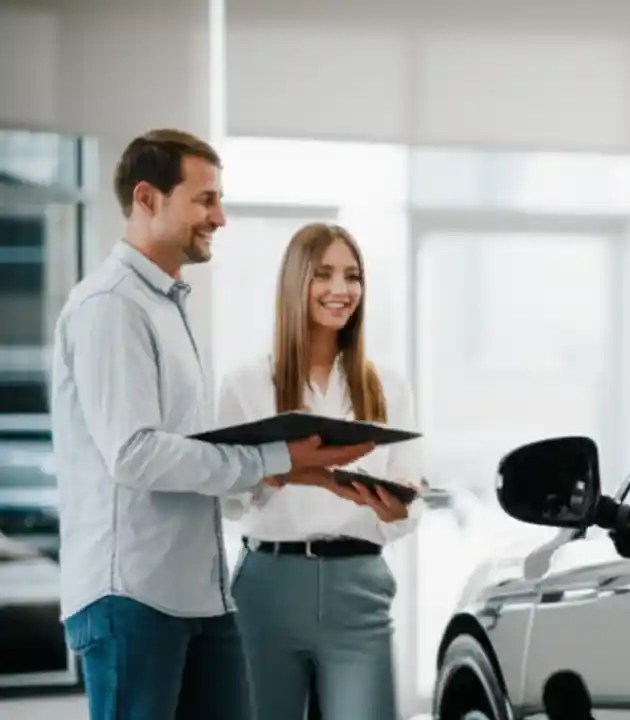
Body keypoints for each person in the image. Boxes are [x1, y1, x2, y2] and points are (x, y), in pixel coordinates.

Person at [50, 129, 374, 720]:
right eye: (205, 199)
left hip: (199, 594)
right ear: (148, 198)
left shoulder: (167, 305)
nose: (219, 217)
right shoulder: (111, 306)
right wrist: (274, 459)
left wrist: (283, 472)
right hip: (131, 595)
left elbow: (190, 451)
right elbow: (136, 455)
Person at [217, 222, 427, 720]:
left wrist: (395, 507)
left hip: (357, 582)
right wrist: (274, 470)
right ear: (296, 283)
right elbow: (225, 497)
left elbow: (409, 501)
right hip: (268, 585)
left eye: (352, 276)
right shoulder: (246, 384)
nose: (342, 290)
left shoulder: (387, 386)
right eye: (325, 274)